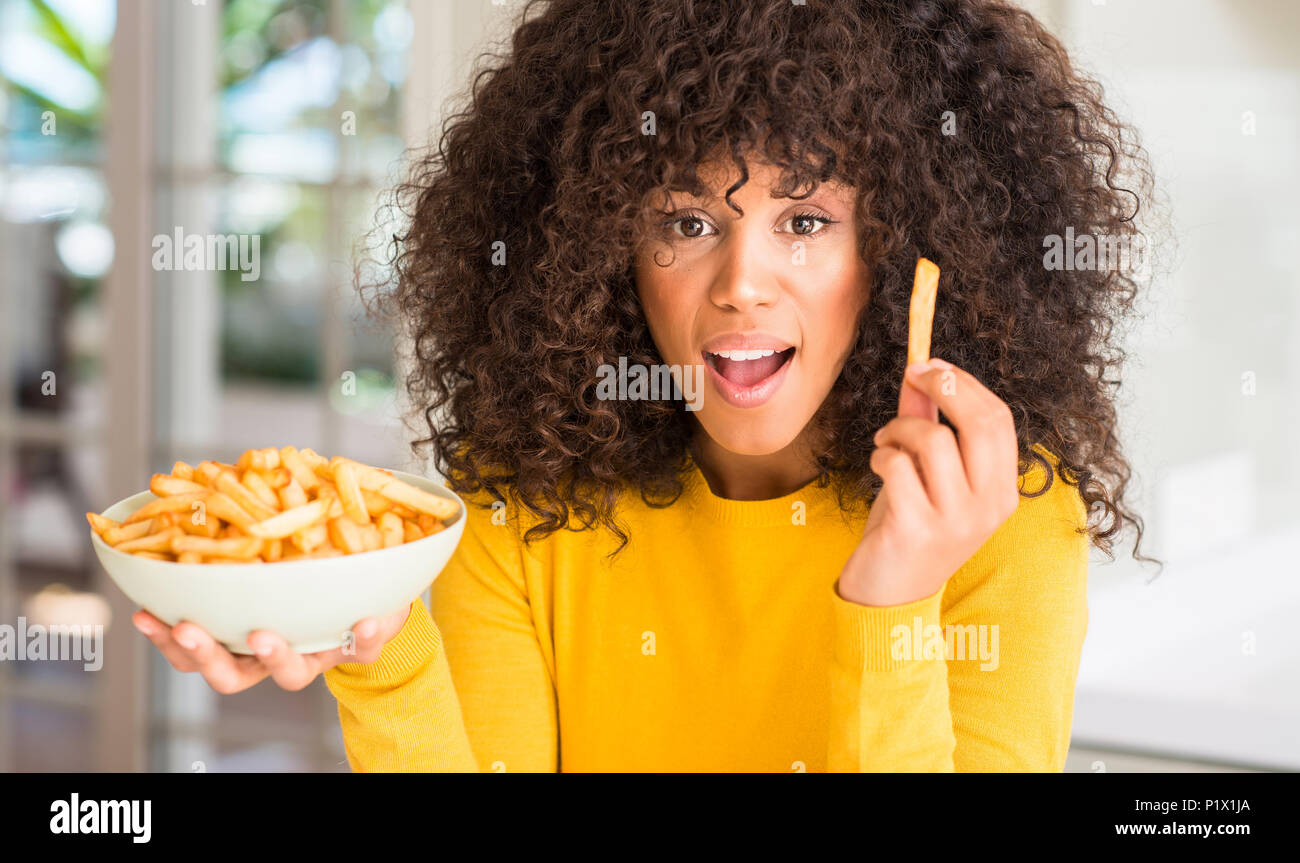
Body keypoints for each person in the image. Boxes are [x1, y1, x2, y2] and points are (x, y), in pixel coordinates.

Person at [134, 0, 1154, 771]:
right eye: (687, 222)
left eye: (803, 223)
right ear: (597, 249)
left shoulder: (999, 513)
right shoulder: (522, 499)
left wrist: (892, 596)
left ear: (902, 254)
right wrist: (375, 646)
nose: (740, 283)